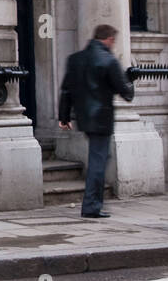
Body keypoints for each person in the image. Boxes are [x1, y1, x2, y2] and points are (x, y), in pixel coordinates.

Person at [58, 24, 135, 218]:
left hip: (84, 117)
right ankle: (91, 206)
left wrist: (64, 117)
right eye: (113, 41)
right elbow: (125, 92)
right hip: (101, 118)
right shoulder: (108, 61)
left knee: (99, 158)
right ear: (108, 39)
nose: (113, 44)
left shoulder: (75, 59)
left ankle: (92, 204)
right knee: (98, 161)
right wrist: (130, 80)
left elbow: (66, 91)